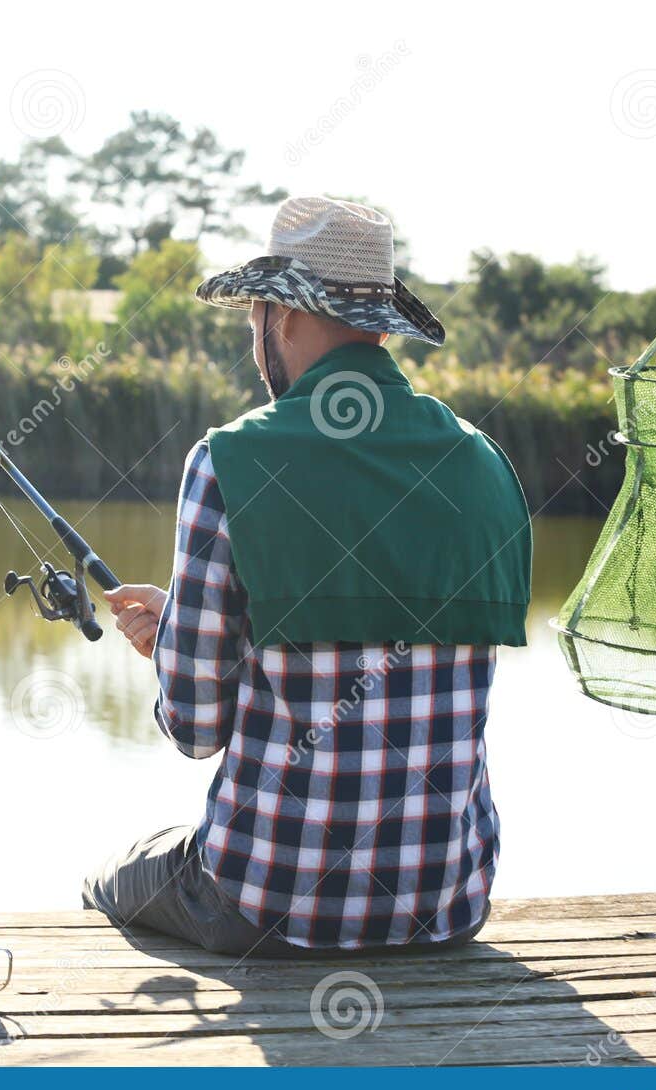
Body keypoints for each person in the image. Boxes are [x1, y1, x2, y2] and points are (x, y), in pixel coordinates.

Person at [83, 195, 532, 957]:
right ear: (383, 325)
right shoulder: (482, 462)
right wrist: (191, 622)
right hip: (449, 903)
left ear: (282, 317)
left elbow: (195, 728)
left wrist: (174, 646)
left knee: (108, 876)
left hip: (269, 904)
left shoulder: (228, 460)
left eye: (256, 315)